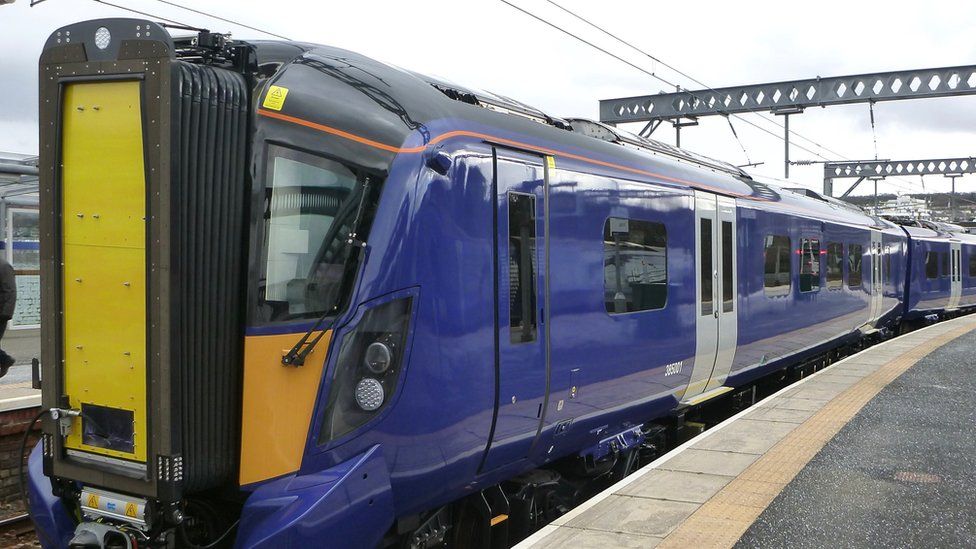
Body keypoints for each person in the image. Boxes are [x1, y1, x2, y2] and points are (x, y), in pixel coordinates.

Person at [0, 254, 15, 379]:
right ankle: (5, 360)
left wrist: (6, 313)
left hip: (1, 314)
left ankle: (5, 360)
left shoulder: (4, 266)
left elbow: (10, 291)